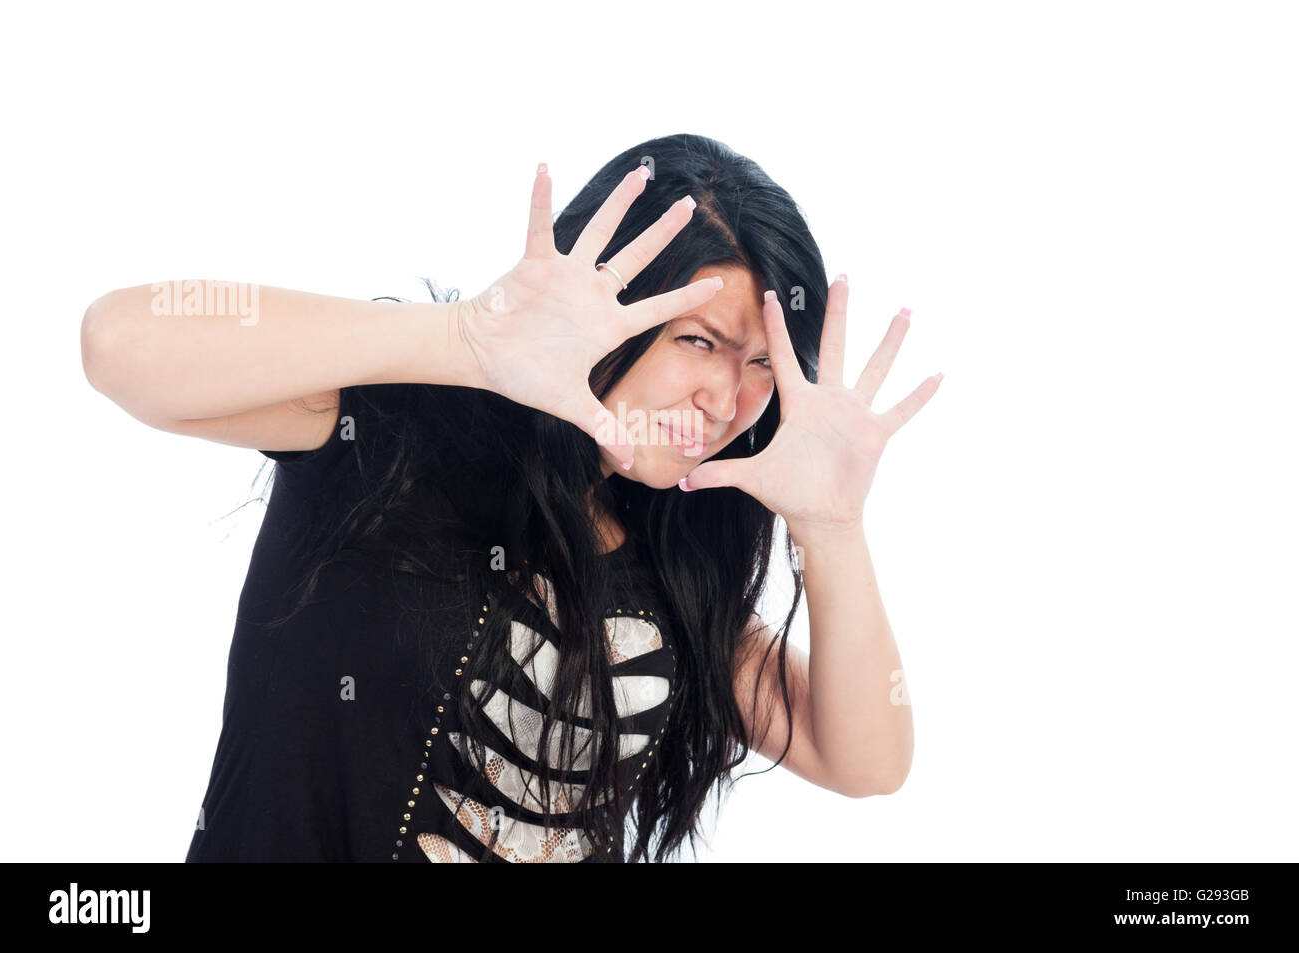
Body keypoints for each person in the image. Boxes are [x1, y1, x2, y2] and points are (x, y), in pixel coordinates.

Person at [80, 133, 940, 863]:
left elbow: (866, 757)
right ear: (612, 307)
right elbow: (118, 345)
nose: (725, 398)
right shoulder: (398, 426)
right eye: (697, 339)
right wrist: (463, 338)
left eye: (760, 365)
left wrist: (833, 529)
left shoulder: (674, 567)